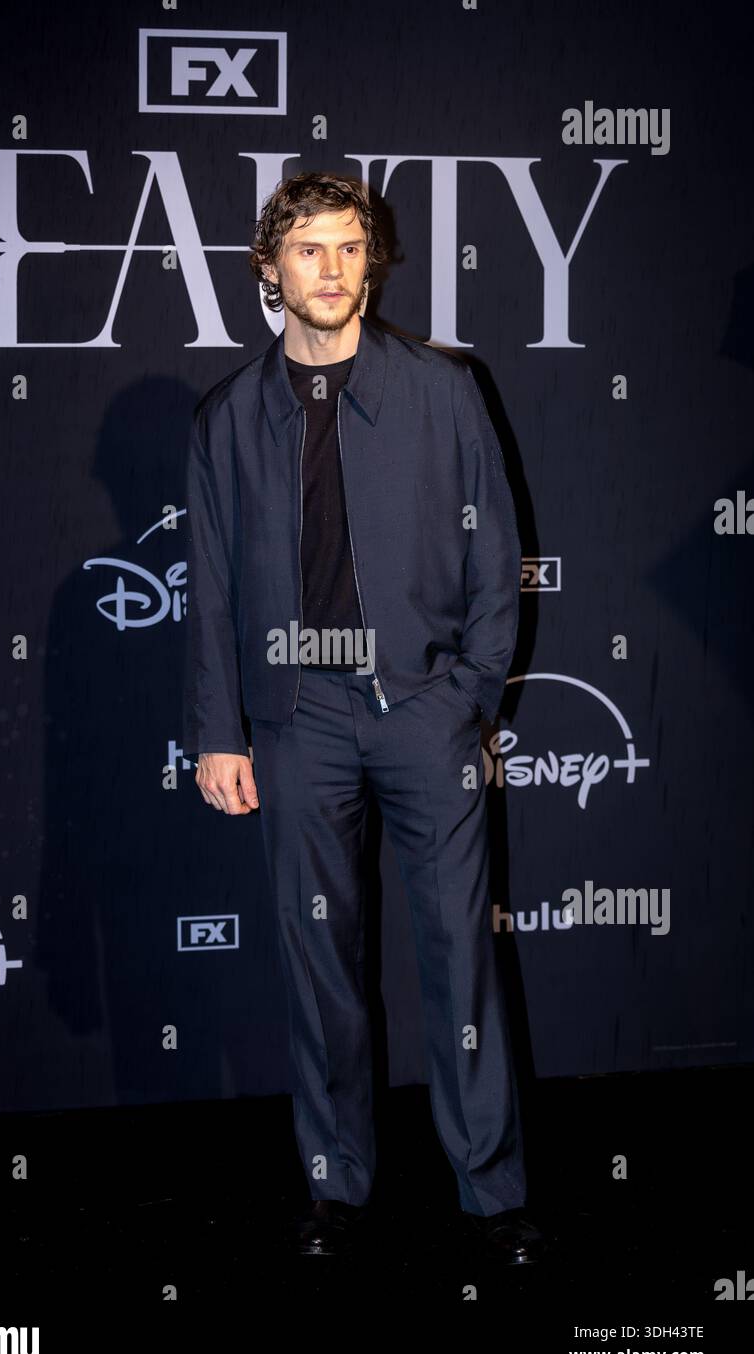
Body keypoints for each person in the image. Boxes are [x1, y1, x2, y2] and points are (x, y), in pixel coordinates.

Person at [182, 170, 549, 1266]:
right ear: (268, 268)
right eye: (307, 249)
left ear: (370, 262)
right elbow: (206, 587)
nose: (332, 269)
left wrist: (469, 695)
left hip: (421, 713)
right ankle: (334, 1187)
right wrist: (218, 729)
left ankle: (492, 1195)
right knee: (317, 966)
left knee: (458, 961)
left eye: (349, 247)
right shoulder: (225, 418)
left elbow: (495, 558)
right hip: (299, 720)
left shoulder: (443, 390)